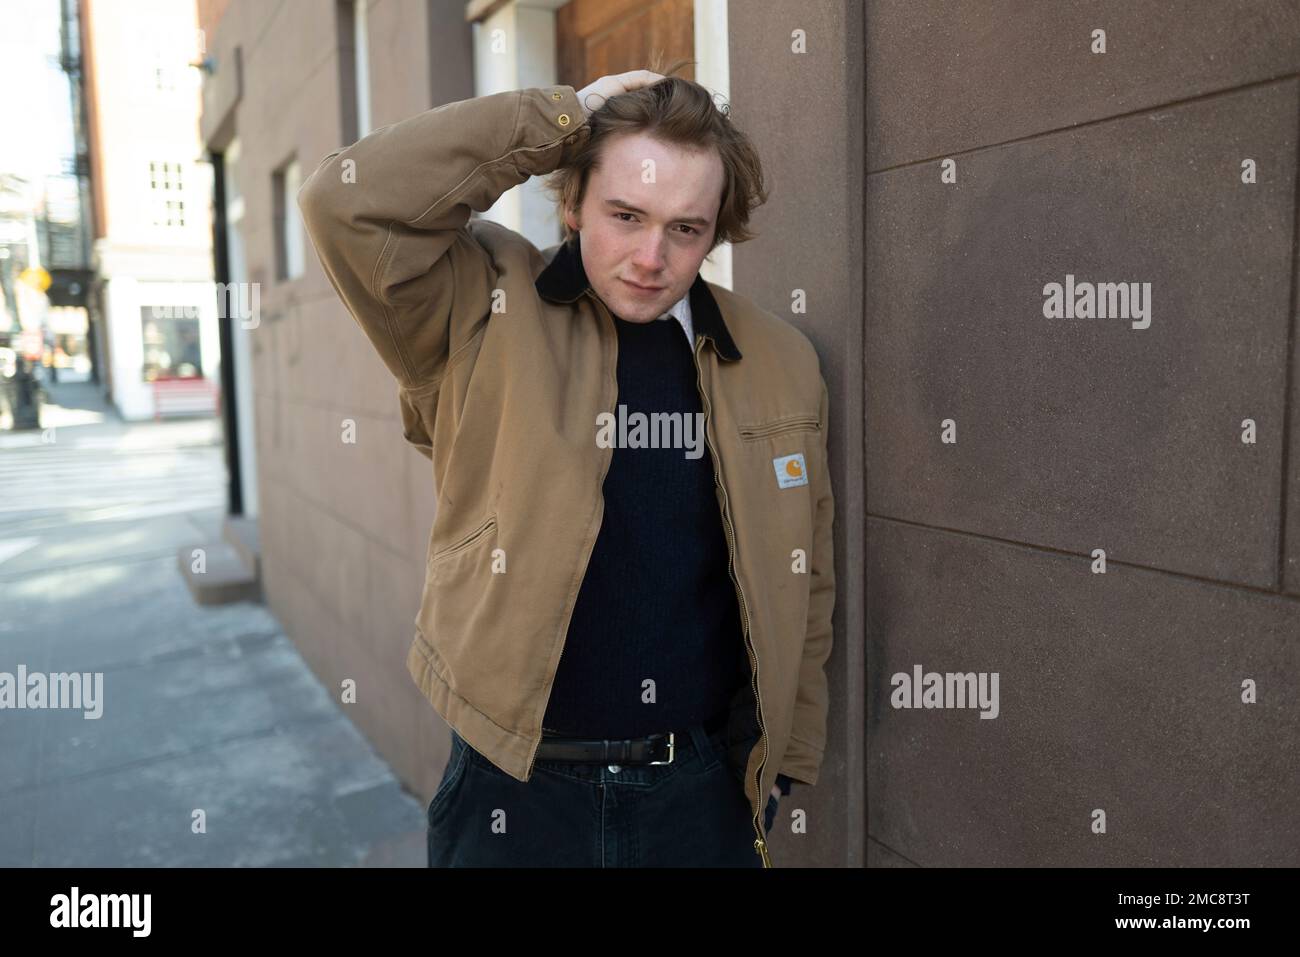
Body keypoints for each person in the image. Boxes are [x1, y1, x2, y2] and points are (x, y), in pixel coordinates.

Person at [298, 62, 834, 867]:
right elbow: (345, 200)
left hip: (696, 792)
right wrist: (558, 119)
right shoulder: (481, 304)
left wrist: (785, 755)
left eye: (685, 228)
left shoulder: (779, 359)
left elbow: (808, 572)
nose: (651, 255)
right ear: (574, 199)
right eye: (626, 214)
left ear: (714, 233)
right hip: (517, 788)